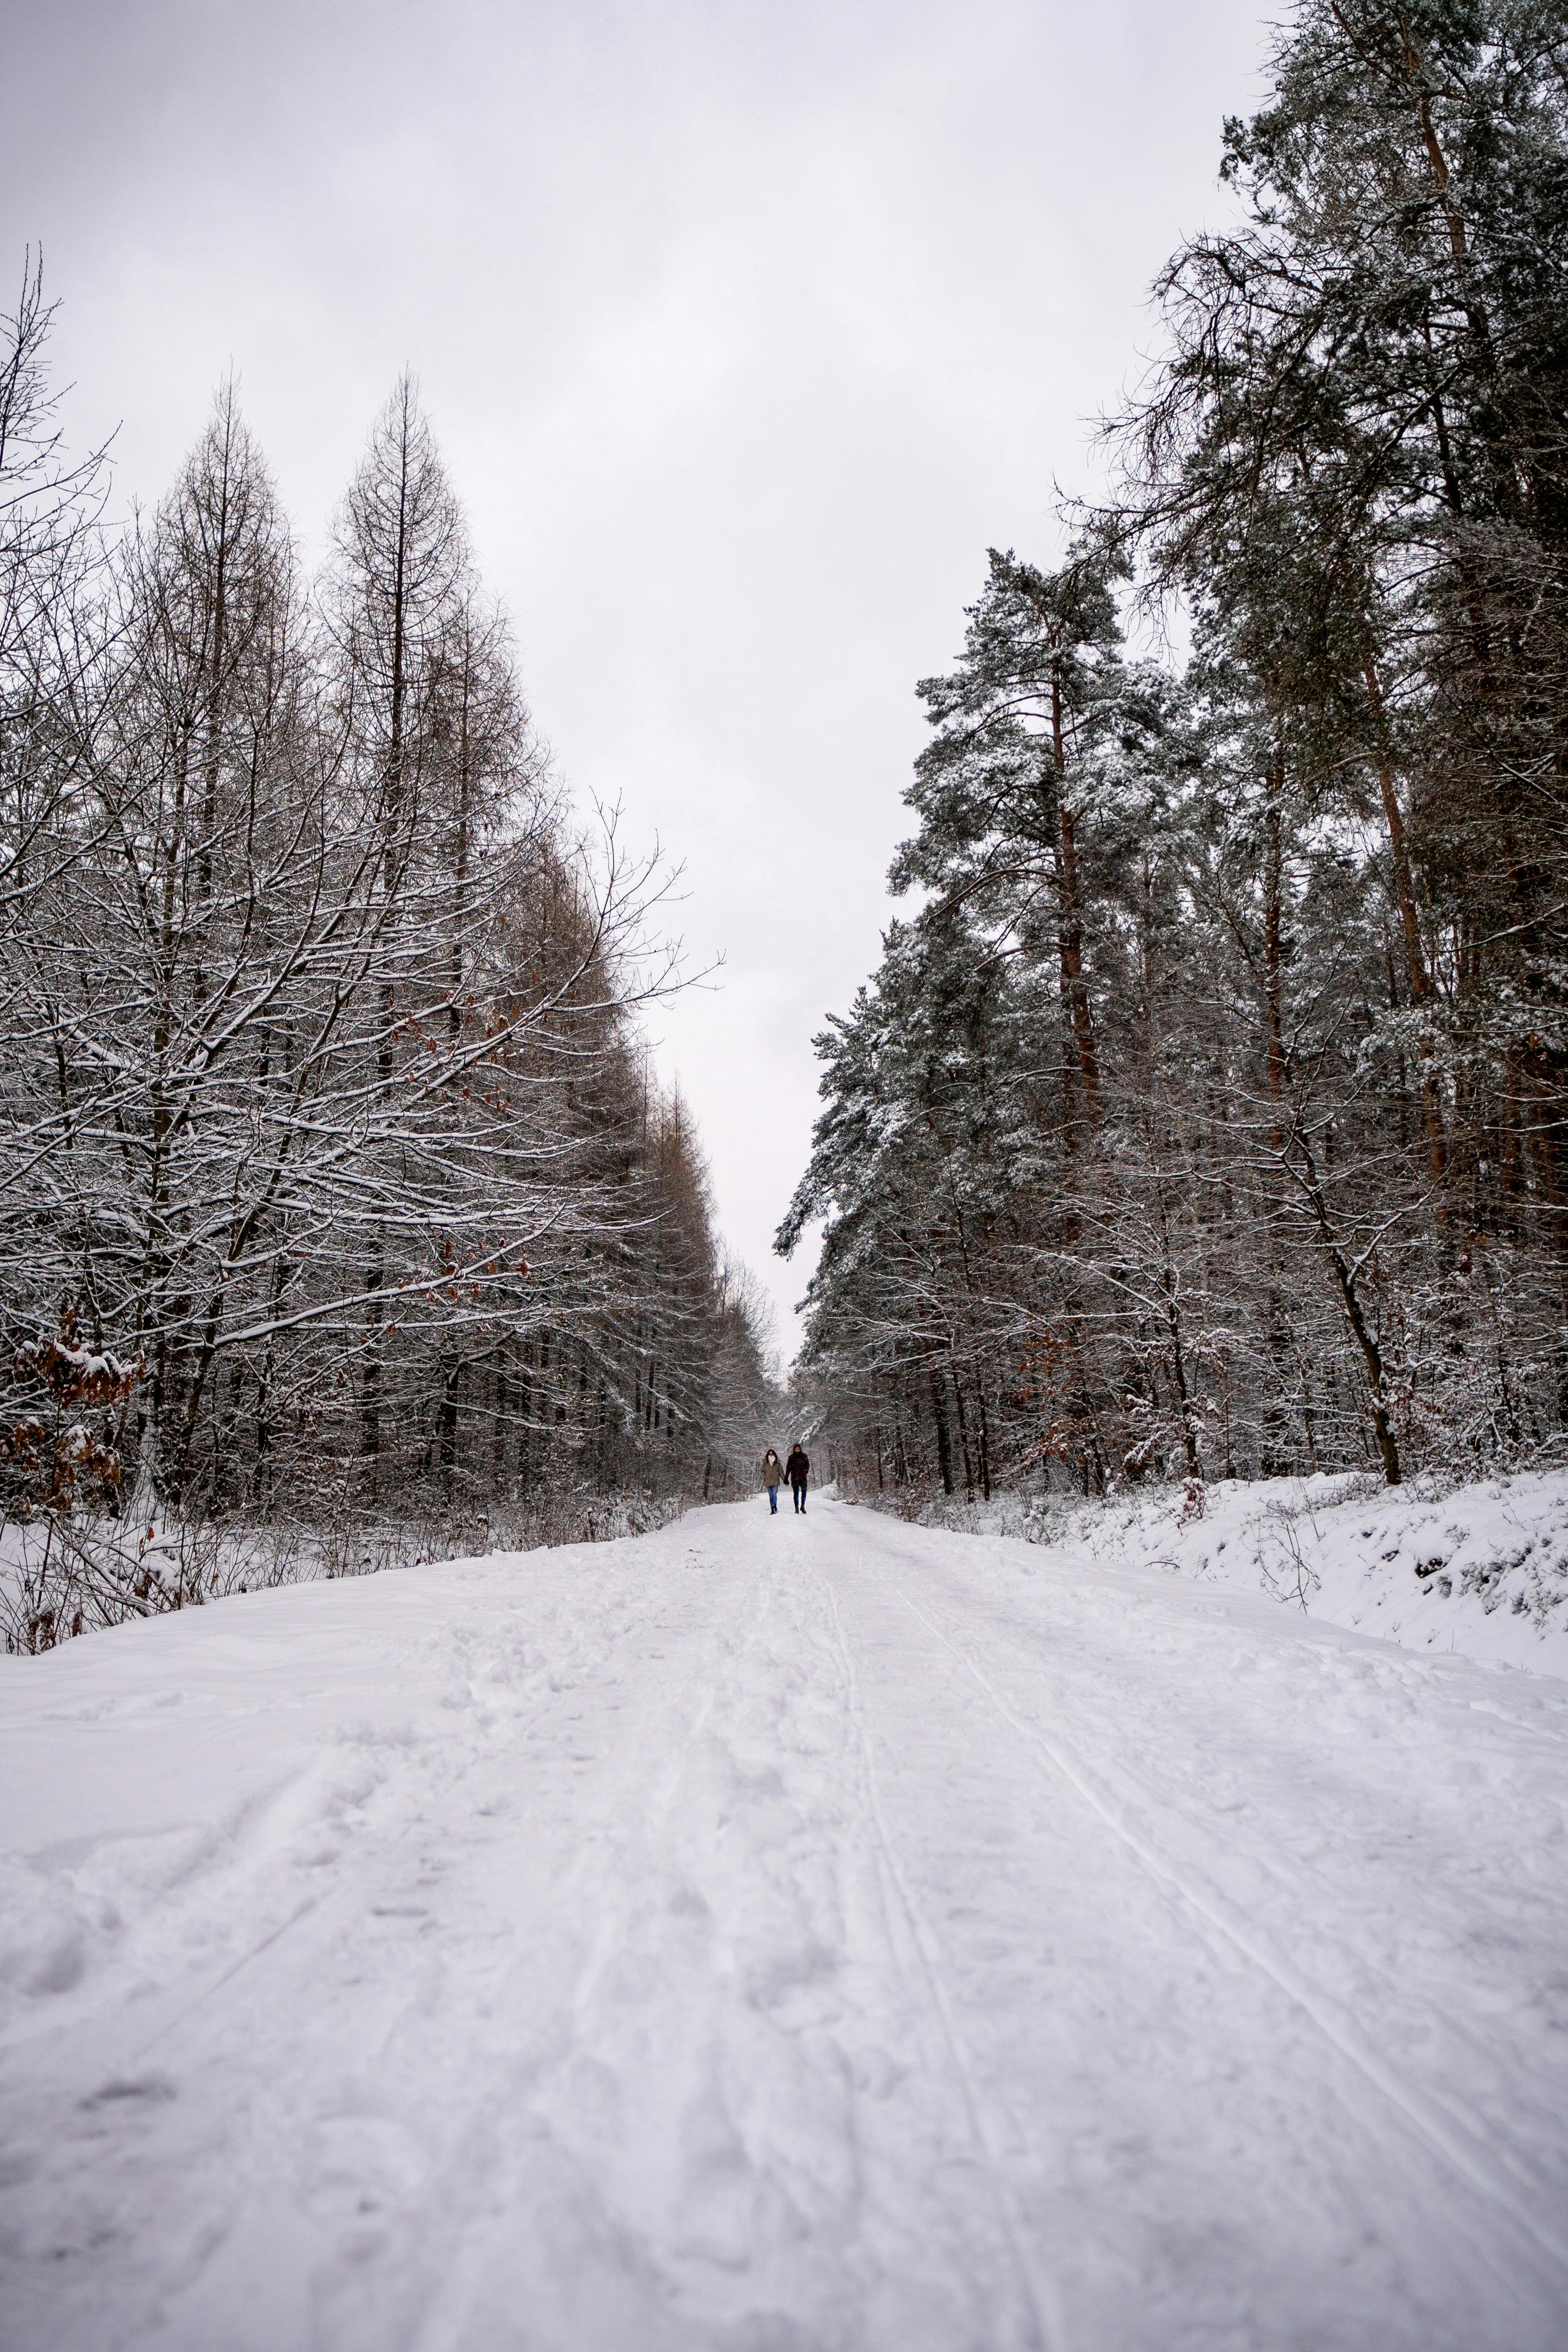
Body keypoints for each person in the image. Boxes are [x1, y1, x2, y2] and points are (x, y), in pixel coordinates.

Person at [785, 1441, 810, 1514]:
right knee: (796, 1493)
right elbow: (788, 1468)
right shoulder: (791, 1457)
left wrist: (806, 1471)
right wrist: (786, 1477)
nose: (797, 1450)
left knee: (804, 1492)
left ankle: (803, 1506)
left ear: (800, 1449)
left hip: (803, 1477)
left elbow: (808, 1465)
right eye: (796, 1449)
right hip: (795, 1478)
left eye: (798, 1449)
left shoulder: (804, 1456)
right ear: (794, 1450)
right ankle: (797, 1508)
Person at [761, 1447, 785, 1513]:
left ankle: (775, 1506)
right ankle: (772, 1509)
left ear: (774, 1454)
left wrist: (784, 1480)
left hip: (775, 1481)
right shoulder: (765, 1463)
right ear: (768, 1454)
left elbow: (781, 1472)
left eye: (772, 1454)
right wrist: (765, 1477)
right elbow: (762, 1471)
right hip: (768, 1481)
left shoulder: (778, 1463)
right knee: (770, 1495)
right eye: (770, 1454)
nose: (771, 1455)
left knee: (774, 1495)